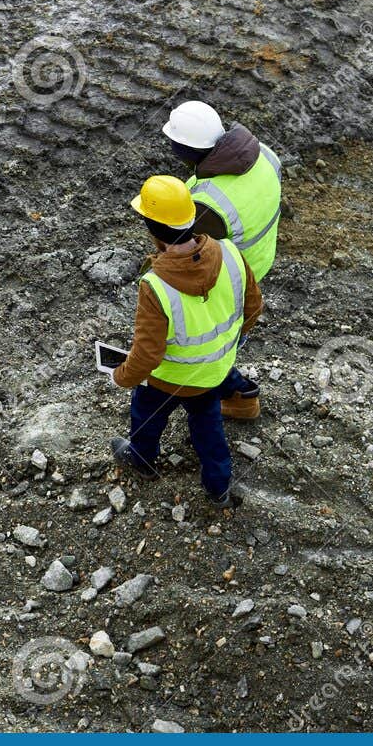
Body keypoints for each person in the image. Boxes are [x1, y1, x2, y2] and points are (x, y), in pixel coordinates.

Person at [108, 175, 263, 508]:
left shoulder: (155, 285)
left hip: (166, 380)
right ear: (192, 215)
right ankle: (219, 488)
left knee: (146, 417)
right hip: (212, 375)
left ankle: (143, 461)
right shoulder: (231, 254)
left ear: (151, 228)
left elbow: (148, 353)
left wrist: (122, 375)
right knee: (208, 429)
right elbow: (253, 309)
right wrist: (222, 351)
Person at [162, 100, 281, 420]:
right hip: (259, 260)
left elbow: (195, 261)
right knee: (227, 337)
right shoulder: (265, 155)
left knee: (210, 345)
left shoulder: (206, 206)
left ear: (185, 149)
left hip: (229, 278)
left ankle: (234, 395)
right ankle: (234, 392)